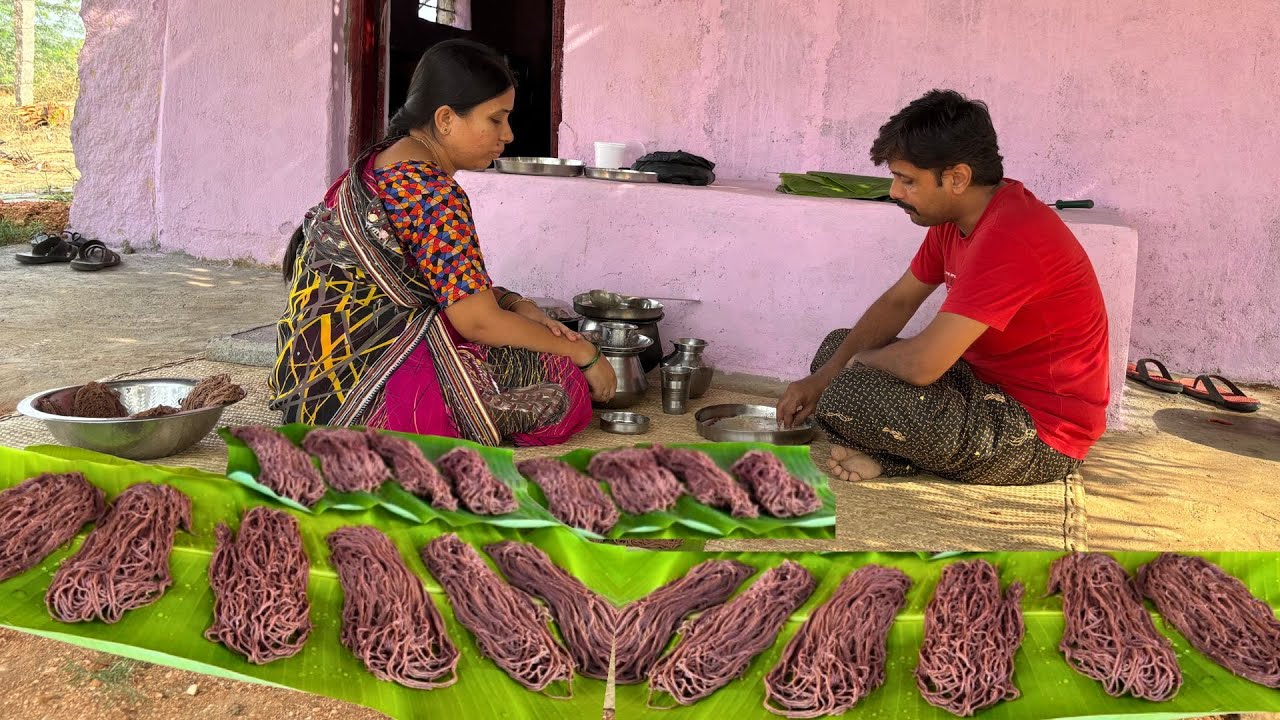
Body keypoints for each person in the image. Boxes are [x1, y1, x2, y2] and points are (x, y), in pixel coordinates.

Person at [269, 40, 615, 447]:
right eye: (497, 119)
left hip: (310, 383)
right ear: (446, 119)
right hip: (368, 396)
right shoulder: (433, 192)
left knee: (520, 334)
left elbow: (432, 283)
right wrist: (585, 355)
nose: (508, 134)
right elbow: (477, 321)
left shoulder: (378, 163)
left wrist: (516, 304)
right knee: (562, 385)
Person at [776, 89, 1109, 486]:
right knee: (835, 349)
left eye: (908, 181)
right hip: (980, 385)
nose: (896, 192)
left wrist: (856, 365)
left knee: (848, 388)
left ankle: (894, 458)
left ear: (957, 178)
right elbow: (898, 302)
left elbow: (922, 365)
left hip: (1042, 433)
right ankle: (890, 454)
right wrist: (830, 371)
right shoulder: (956, 219)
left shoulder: (1011, 236)